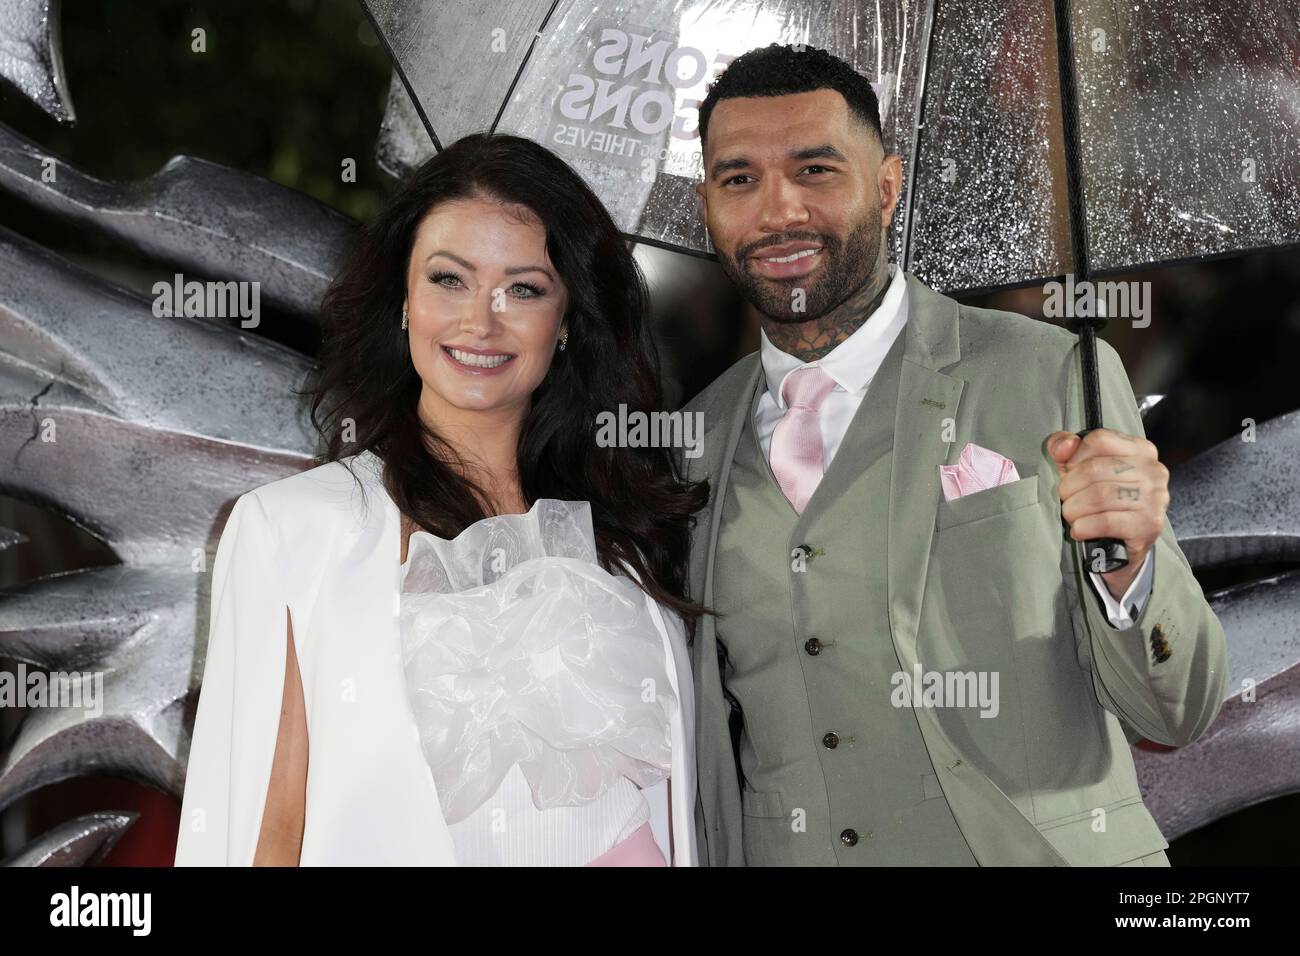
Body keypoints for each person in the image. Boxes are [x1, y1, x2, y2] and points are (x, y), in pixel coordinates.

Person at [682, 43, 1228, 866]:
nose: (778, 209)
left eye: (815, 170)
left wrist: (1132, 571)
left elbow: (1179, 711)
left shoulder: (1050, 375)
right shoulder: (694, 442)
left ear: (887, 187)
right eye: (739, 179)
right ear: (707, 206)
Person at [174, 132, 704, 866]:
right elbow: (268, 829)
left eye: (524, 289)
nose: (480, 321)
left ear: (567, 323)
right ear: (404, 300)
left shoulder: (629, 537)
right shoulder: (292, 531)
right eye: (449, 279)